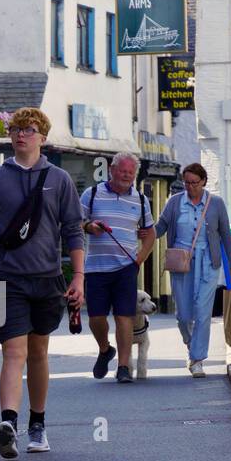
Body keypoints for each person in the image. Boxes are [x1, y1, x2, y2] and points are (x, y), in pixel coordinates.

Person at [0, 107, 84, 459]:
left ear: (42, 138)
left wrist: (78, 277)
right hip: (4, 279)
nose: (21, 135)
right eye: (16, 129)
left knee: (38, 352)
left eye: (29, 130)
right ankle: (8, 425)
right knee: (12, 351)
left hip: (47, 278)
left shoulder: (59, 179)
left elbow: (74, 231)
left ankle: (38, 423)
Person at [154, 162, 231, 378]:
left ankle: (197, 359)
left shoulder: (216, 203)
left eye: (194, 183)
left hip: (209, 262)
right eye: (187, 183)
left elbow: (226, 236)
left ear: (203, 182)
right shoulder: (174, 203)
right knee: (183, 316)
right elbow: (160, 227)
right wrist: (141, 233)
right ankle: (191, 344)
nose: (190, 187)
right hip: (182, 262)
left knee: (202, 312)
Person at [81, 153, 155, 384]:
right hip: (96, 267)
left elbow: (150, 233)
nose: (126, 175)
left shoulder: (141, 201)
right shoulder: (91, 194)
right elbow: (74, 223)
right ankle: (105, 349)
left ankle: (123, 367)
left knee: (125, 317)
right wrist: (89, 226)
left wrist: (139, 259)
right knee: (96, 318)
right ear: (112, 170)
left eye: (131, 172)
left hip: (126, 268)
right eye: (123, 170)